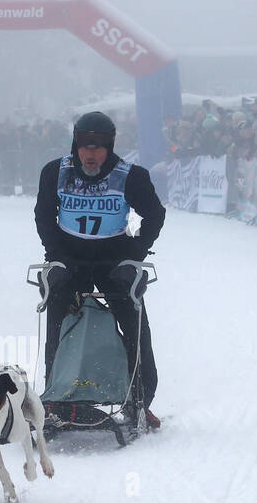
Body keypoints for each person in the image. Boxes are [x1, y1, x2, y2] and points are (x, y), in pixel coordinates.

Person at [34, 111, 165, 429]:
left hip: (113, 258)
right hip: (69, 257)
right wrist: (56, 255)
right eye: (84, 147)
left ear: (110, 147)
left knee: (135, 325)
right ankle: (55, 398)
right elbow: (43, 215)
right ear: (75, 145)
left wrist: (134, 253)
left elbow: (154, 214)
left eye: (98, 147)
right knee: (57, 324)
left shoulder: (130, 175)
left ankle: (139, 399)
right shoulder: (55, 172)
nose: (90, 154)